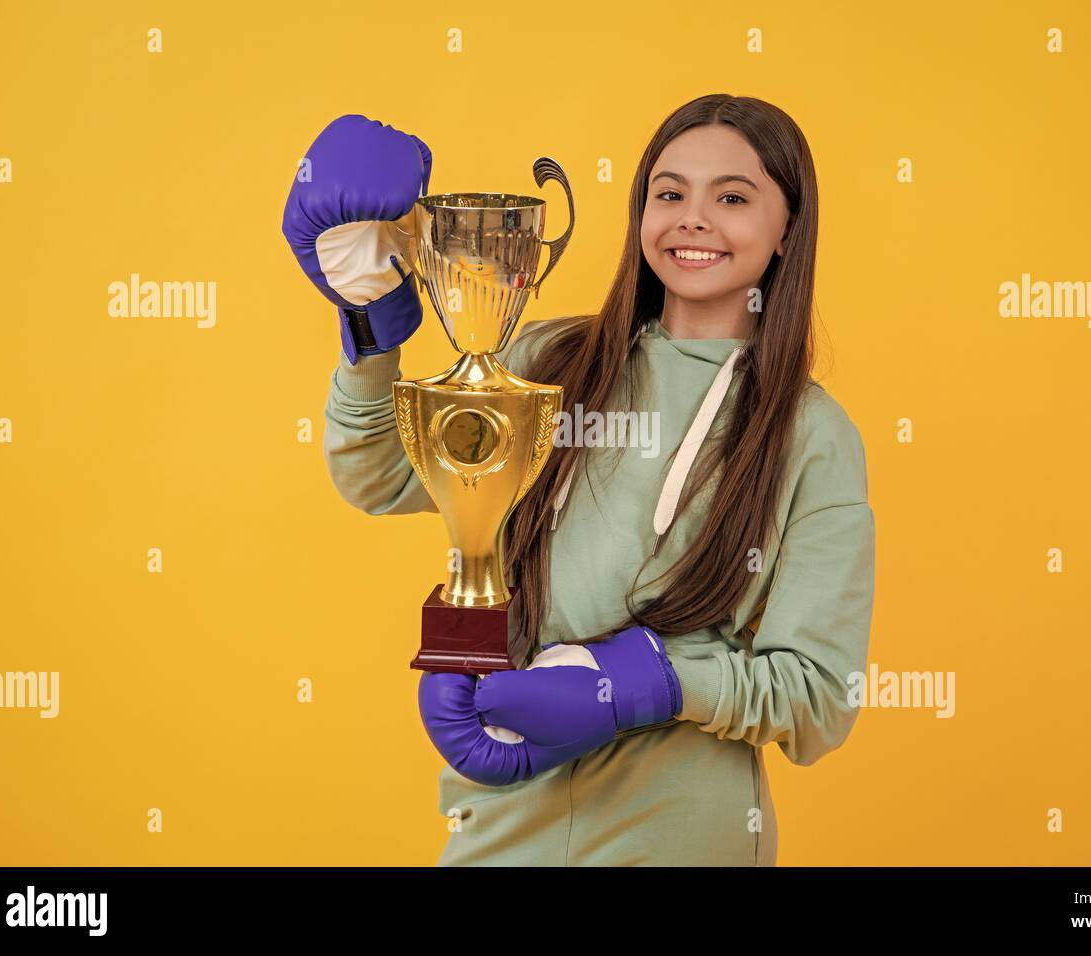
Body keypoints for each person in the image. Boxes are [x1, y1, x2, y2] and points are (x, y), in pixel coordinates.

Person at [282, 94, 876, 866]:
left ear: (788, 227)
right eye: (669, 194)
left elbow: (820, 696)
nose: (693, 218)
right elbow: (375, 474)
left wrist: (653, 686)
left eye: (732, 197)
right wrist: (365, 321)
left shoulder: (811, 432)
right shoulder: (543, 364)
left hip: (681, 840)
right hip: (502, 819)